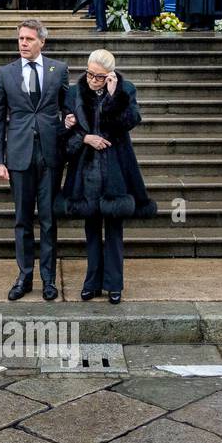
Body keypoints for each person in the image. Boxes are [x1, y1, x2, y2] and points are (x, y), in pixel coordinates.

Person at [57, 50, 155, 305]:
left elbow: (130, 120)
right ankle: (92, 283)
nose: (92, 80)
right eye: (89, 74)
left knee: (114, 230)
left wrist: (113, 97)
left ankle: (114, 284)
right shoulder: (74, 92)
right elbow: (66, 133)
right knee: (90, 230)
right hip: (86, 170)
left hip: (115, 170)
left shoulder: (126, 90)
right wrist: (81, 134)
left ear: (110, 75)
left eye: (99, 77)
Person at [0, 19, 69, 301]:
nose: (23, 43)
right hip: (19, 156)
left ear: (41, 42)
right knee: (22, 219)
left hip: (50, 155)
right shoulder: (5, 73)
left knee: (48, 219)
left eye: (29, 39)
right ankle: (24, 277)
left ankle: (48, 279)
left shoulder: (58, 70)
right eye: (20, 38)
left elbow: (68, 108)